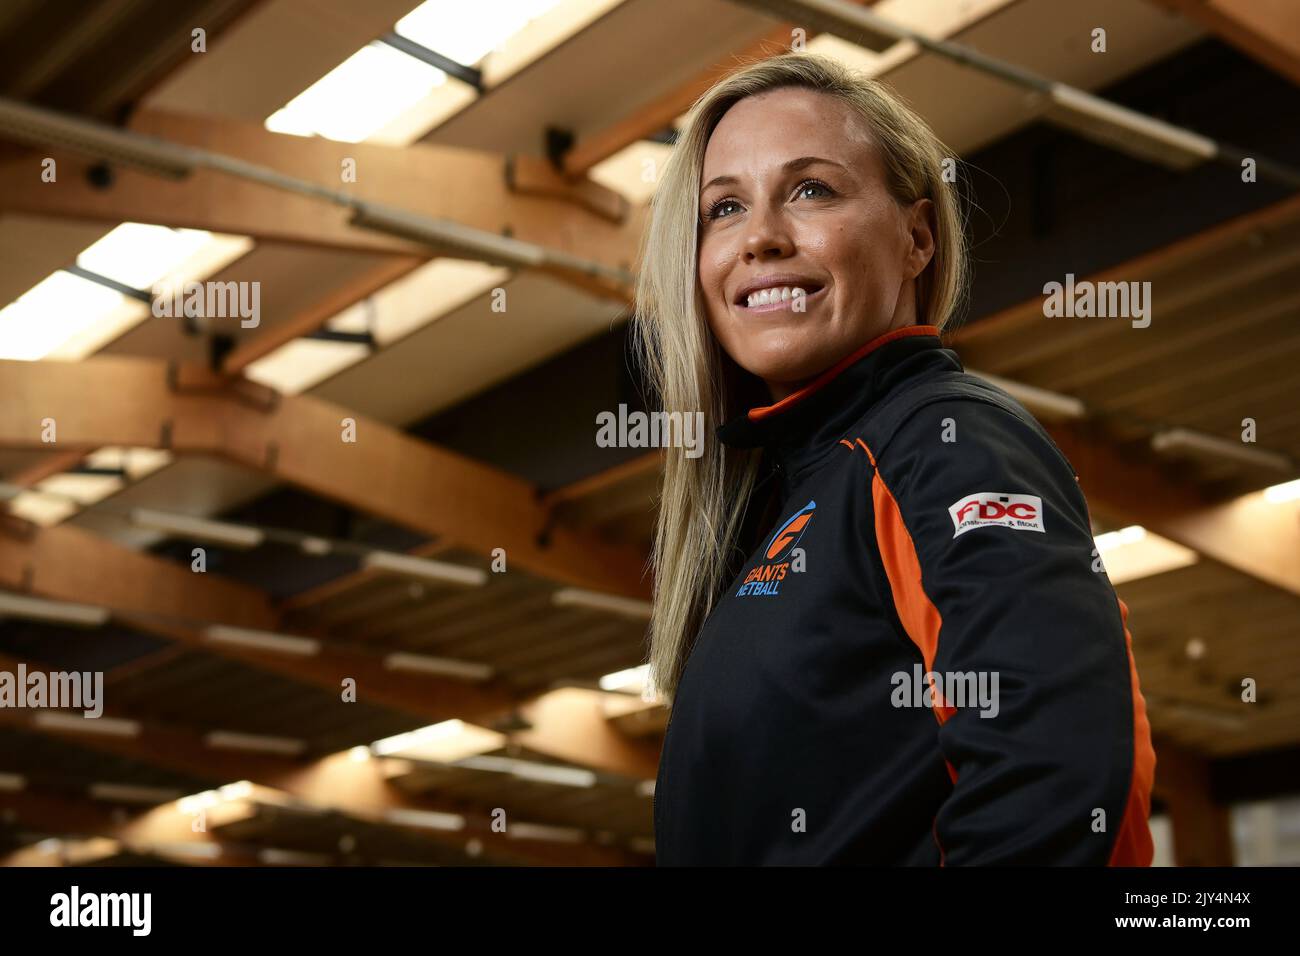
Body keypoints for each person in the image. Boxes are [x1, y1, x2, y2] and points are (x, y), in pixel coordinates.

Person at [633, 53, 1155, 865]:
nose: (761, 238)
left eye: (812, 190)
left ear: (916, 238)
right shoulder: (784, 497)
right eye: (724, 207)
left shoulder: (946, 444)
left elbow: (1063, 775)